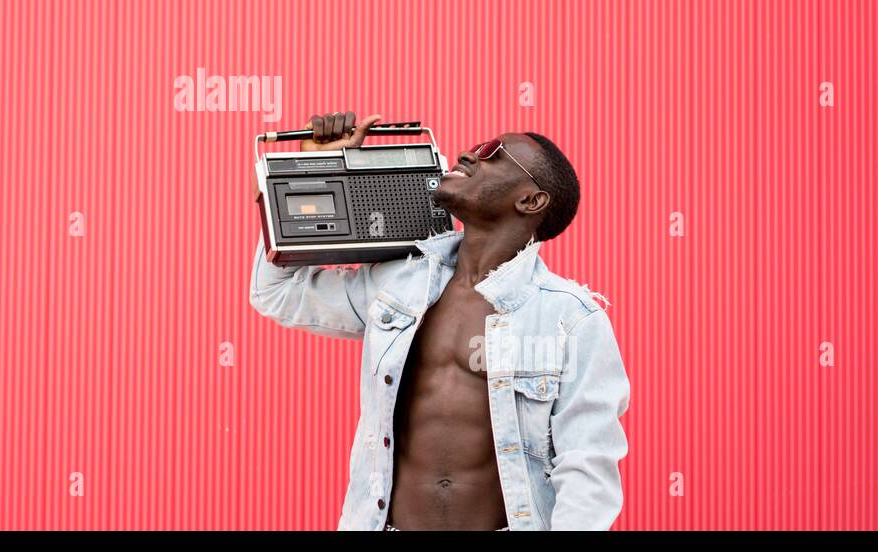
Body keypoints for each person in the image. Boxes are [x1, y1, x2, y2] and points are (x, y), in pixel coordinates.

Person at [249, 112, 630, 530]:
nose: (469, 154)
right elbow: (279, 293)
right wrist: (313, 170)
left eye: (492, 153)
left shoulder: (571, 319)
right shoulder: (399, 284)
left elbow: (586, 466)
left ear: (530, 200)